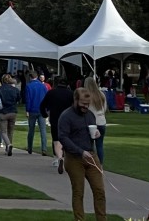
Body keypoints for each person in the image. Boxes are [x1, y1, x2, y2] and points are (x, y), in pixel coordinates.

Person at [58, 87, 108, 221]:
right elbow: (63, 137)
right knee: (78, 192)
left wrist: (96, 134)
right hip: (74, 158)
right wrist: (80, 151)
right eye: (83, 104)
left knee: (99, 190)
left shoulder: (90, 115)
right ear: (75, 100)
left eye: (88, 104)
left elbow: (92, 133)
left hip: (91, 156)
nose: (86, 106)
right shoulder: (66, 116)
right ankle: (79, 219)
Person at [42, 77, 75, 174]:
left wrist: (44, 114)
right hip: (68, 119)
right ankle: (66, 157)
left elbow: (43, 105)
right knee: (67, 138)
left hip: (55, 119)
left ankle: (58, 158)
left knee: (56, 140)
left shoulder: (51, 93)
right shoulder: (71, 93)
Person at [84, 75, 109, 163]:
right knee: (99, 145)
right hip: (101, 121)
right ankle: (100, 165)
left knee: (89, 144)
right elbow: (104, 108)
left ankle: (92, 163)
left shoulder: (87, 95)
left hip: (91, 122)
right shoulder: (101, 94)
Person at [25, 72, 50, 156]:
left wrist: (27, 110)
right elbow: (46, 97)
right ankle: (44, 149)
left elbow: (28, 99)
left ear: (30, 77)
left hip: (32, 109)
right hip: (42, 110)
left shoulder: (29, 86)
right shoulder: (43, 86)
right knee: (43, 130)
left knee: (31, 130)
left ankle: (30, 148)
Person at [0, 74, 21, 157]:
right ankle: (8, 147)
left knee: (3, 131)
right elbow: (18, 99)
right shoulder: (15, 89)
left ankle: (8, 144)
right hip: (13, 111)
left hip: (3, 111)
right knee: (10, 131)